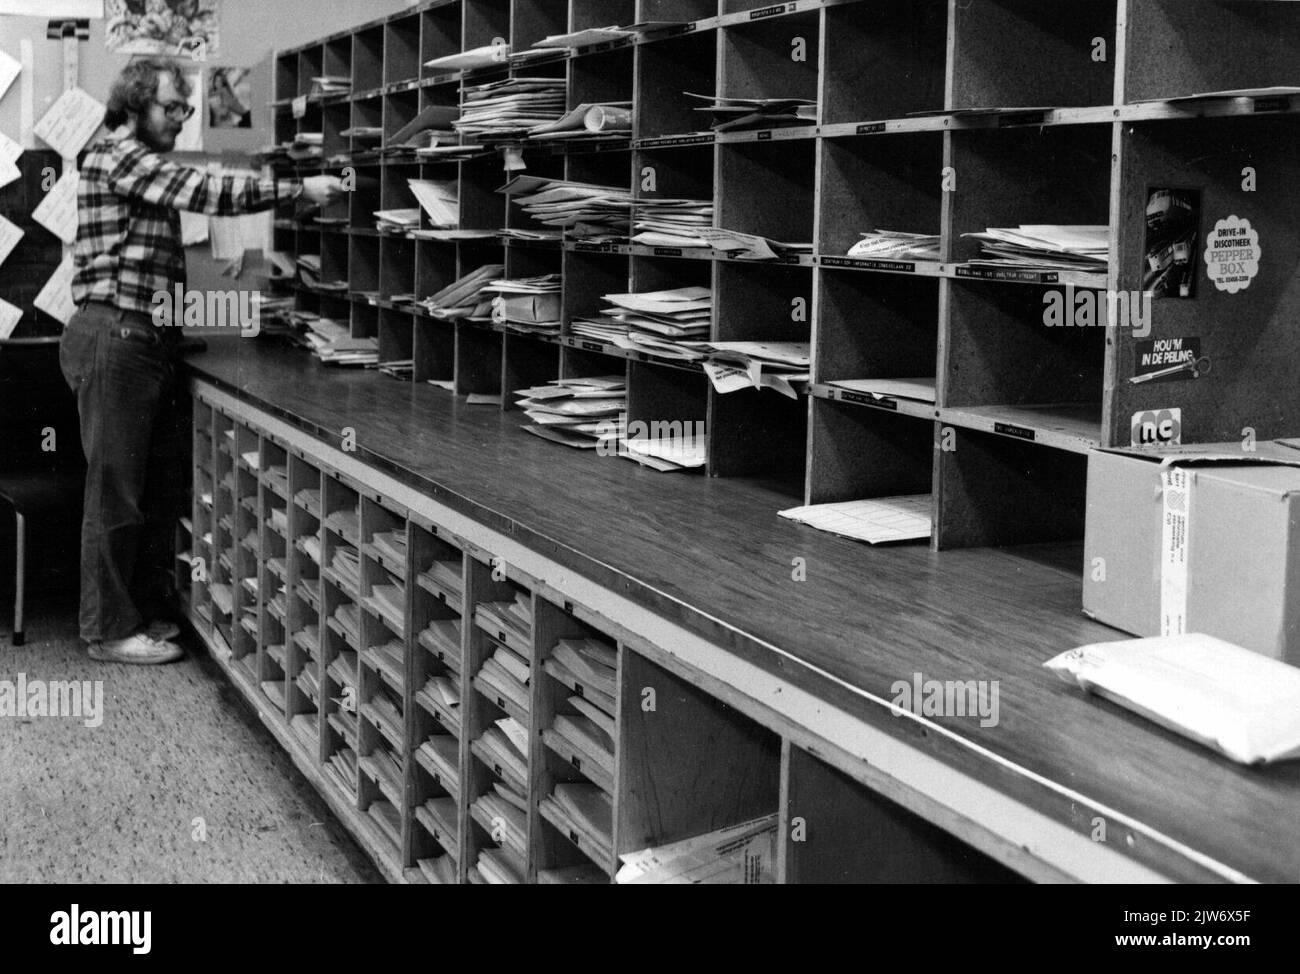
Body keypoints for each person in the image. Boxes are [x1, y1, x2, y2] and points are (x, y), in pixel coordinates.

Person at [63, 58, 342, 664]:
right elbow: (205, 191)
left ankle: (128, 615)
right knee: (115, 494)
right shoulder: (118, 154)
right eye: (171, 107)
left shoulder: (135, 162)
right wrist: (298, 188)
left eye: (186, 108)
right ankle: (106, 633)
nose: (180, 119)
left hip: (137, 336)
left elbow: (146, 266)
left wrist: (171, 330)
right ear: (134, 105)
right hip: (116, 337)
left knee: (136, 489)